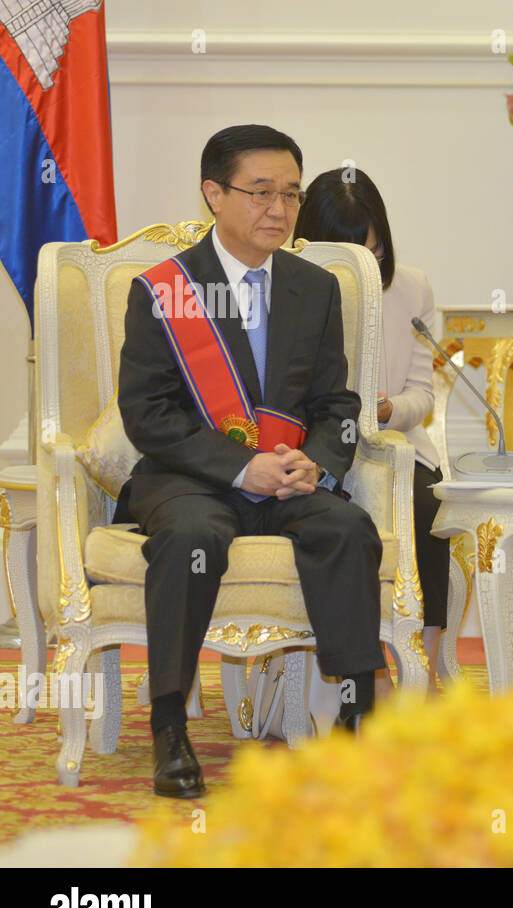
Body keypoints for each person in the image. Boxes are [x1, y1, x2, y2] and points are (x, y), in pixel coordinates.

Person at [118, 125, 386, 798]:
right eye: (261, 192)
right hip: (189, 479)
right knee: (190, 537)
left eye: (292, 194)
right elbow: (147, 414)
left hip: (288, 477)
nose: (280, 209)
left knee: (346, 529)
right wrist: (240, 468)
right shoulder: (166, 289)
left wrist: (316, 464)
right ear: (214, 193)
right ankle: (170, 726)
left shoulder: (314, 287)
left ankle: (357, 711)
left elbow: (338, 402)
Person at [293, 168, 448, 693]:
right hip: (313, 450)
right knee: (339, 522)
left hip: (393, 447)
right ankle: (369, 667)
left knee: (427, 510)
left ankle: (421, 665)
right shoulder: (284, 284)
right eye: (351, 257)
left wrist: (387, 411)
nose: (368, 268)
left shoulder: (412, 288)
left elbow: (422, 396)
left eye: (375, 252)